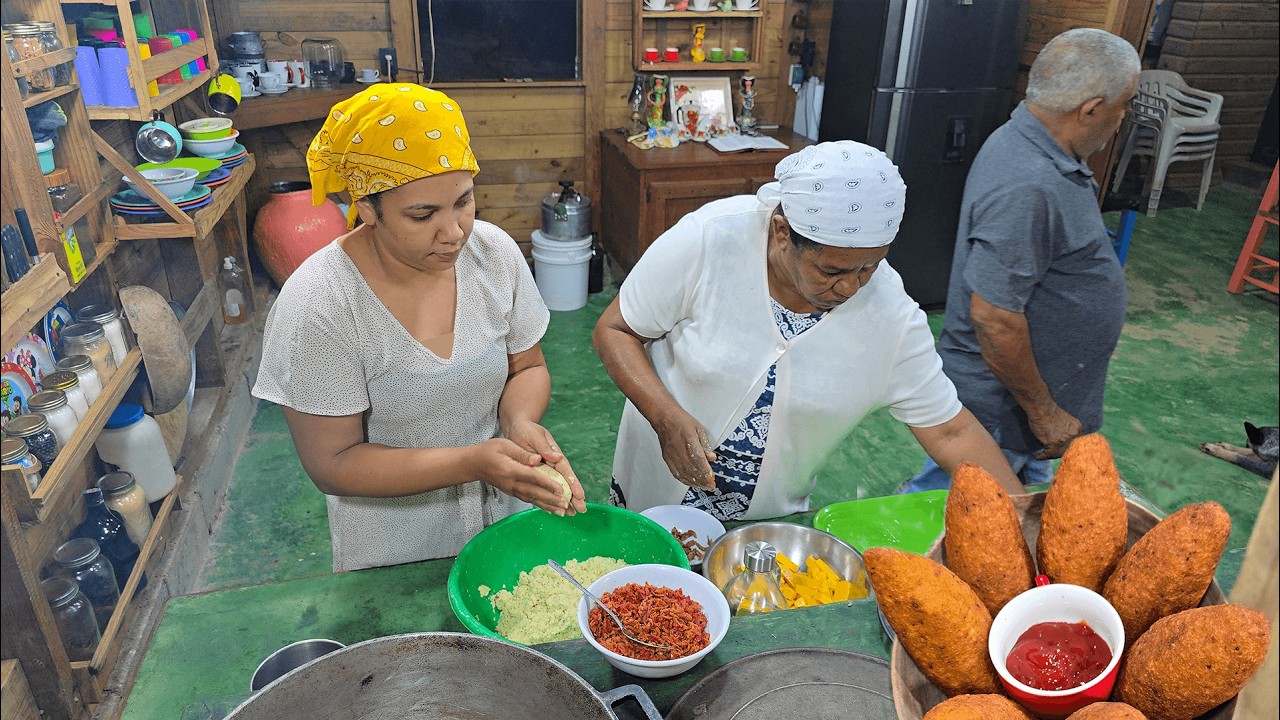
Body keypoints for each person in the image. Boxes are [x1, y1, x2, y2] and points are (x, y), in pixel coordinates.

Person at [593, 140, 1022, 522]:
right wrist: (665, 418)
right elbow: (616, 330)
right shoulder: (709, 241)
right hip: (653, 495)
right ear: (782, 233)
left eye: (869, 267)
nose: (851, 287)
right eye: (831, 271)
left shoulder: (892, 317)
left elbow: (952, 431)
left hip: (764, 526)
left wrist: (1020, 518)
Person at [253, 83, 586, 572]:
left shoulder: (493, 255)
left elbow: (527, 367)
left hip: (502, 521)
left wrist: (519, 423)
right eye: (422, 214)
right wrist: (472, 462)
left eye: (464, 202)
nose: (454, 232)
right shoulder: (321, 304)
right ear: (368, 207)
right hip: (397, 549)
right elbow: (332, 462)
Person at [901, 28, 1140, 493]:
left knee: (1018, 515)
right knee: (955, 512)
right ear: (1091, 109)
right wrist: (1044, 413)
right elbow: (993, 318)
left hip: (1024, 416)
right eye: (1124, 103)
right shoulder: (1029, 183)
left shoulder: (1037, 146)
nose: (1124, 116)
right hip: (1004, 413)